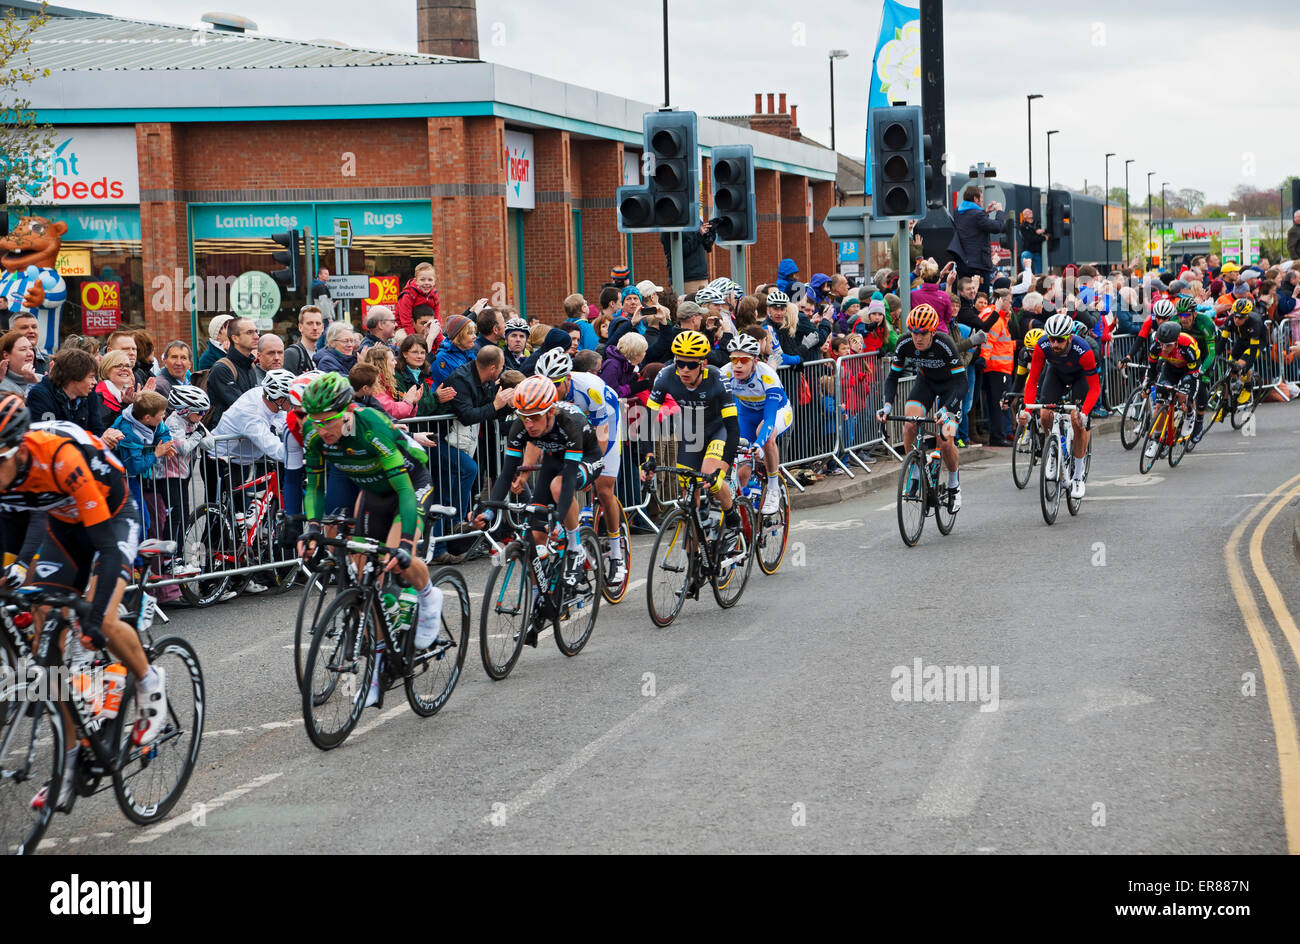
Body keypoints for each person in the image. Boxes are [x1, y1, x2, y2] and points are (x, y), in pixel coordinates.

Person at [0, 399, 167, 810]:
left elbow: (107, 550)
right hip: (62, 525)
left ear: (19, 450)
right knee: (48, 650)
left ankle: (150, 685)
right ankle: (69, 763)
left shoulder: (61, 457)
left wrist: (91, 617)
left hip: (111, 518)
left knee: (102, 618)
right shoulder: (11, 472)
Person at [297, 372, 447, 707]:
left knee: (397, 558)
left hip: (408, 485)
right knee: (365, 576)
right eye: (315, 422)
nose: (322, 430)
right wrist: (311, 528)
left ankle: (427, 596)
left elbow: (405, 490)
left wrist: (406, 543)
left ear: (346, 411)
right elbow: (313, 487)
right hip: (372, 492)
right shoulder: (315, 435)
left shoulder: (372, 427)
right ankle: (379, 666)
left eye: (329, 422)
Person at [471, 376, 603, 603]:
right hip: (553, 460)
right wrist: (490, 510)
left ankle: (574, 547)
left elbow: (569, 478)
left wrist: (559, 520)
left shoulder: (568, 423)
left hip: (585, 458)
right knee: (533, 537)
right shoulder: (521, 426)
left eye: (534, 417)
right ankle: (537, 602)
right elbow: (506, 473)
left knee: (559, 486)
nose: (528, 423)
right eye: (524, 417)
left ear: (550, 413)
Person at [534, 348, 627, 582]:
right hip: (574, 430)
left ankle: (617, 554)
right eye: (546, 384)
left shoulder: (590, 390)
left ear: (566, 379)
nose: (550, 391)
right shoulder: (543, 394)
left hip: (606, 424)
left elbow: (602, 435)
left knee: (604, 488)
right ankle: (572, 533)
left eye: (555, 384)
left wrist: (593, 470)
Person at [643, 330, 743, 545]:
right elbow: (647, 419)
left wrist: (723, 468)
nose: (684, 370)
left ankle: (733, 517)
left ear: (703, 363)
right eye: (680, 364)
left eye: (691, 365)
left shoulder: (718, 379)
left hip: (718, 430)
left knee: (710, 477)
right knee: (689, 497)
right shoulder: (665, 376)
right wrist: (648, 456)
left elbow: (733, 428)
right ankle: (694, 559)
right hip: (691, 434)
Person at [876, 304, 965, 510]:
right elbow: (893, 376)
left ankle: (954, 484)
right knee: (909, 425)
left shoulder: (945, 343)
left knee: (945, 441)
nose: (918, 337)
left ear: (933, 331)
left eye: (923, 333)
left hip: (950, 390)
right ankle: (915, 472)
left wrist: (946, 408)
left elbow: (962, 383)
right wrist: (887, 405)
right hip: (925, 384)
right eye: (914, 332)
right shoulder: (904, 342)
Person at [1021, 313, 1101, 497]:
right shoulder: (1043, 346)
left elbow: (1095, 388)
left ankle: (1078, 476)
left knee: (1077, 421)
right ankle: (1054, 451)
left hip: (1080, 378)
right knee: (1045, 414)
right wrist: (1026, 409)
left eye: (1059, 340)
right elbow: (1032, 380)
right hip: (1056, 374)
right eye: (1052, 340)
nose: (1055, 344)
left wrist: (1085, 412)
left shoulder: (1084, 350)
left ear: (1069, 338)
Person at [718, 333, 792, 514]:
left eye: (743, 360)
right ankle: (746, 518)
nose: (738, 365)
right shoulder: (725, 373)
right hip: (747, 414)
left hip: (777, 412)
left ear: (755, 362)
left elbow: (769, 419)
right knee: (743, 473)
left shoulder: (767, 375)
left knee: (765, 437)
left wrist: (759, 443)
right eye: (734, 359)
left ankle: (773, 487)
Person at [26, 347, 121, 445]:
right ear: (75, 376)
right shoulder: (41, 395)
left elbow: (96, 430)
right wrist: (95, 443)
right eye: (91, 377)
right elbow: (47, 439)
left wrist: (107, 439)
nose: (95, 382)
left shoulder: (89, 394)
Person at [205, 316, 259, 426]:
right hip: (224, 437)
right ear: (235, 338)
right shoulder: (222, 369)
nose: (256, 337)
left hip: (247, 434)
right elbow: (241, 408)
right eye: (249, 332)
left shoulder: (251, 366)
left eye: (256, 332)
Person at [947, 185, 1005, 282]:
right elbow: (997, 227)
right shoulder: (978, 215)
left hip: (963, 262)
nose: (982, 200)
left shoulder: (958, 212)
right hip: (979, 265)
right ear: (975, 198)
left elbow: (973, 223)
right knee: (981, 296)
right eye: (981, 197)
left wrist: (985, 212)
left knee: (966, 293)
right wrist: (999, 211)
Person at [363, 344, 422, 419]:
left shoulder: (385, 384)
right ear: (382, 364)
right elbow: (390, 410)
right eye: (392, 360)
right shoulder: (373, 386)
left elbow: (403, 415)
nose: (396, 362)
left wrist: (412, 403)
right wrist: (408, 401)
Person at [661, 221, 716, 294]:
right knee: (689, 305)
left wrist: (711, 233)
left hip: (702, 276)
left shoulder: (695, 219)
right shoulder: (670, 225)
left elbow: (707, 247)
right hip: (686, 279)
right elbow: (678, 251)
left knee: (704, 304)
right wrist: (699, 235)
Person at [427, 313, 477, 387]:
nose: (475, 336)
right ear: (458, 336)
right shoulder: (442, 358)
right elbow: (450, 388)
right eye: (470, 333)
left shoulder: (468, 353)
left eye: (474, 333)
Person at [395, 262, 441, 337]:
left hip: (425, 326)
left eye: (430, 280)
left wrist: (438, 336)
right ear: (416, 280)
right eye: (422, 280)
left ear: (434, 281)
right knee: (403, 338)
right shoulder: (408, 295)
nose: (426, 283)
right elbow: (406, 321)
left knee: (441, 340)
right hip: (404, 327)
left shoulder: (434, 295)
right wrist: (415, 340)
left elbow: (437, 317)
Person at [95, 349, 137, 421]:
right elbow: (109, 426)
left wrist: (143, 403)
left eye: (128, 366)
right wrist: (127, 405)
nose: (125, 369)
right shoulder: (98, 397)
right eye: (118, 366)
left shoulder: (130, 394)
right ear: (106, 370)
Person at [284, 306, 323, 374]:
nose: (315, 327)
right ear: (300, 327)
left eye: (318, 323)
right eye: (310, 323)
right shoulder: (292, 353)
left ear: (322, 328)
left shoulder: (321, 355)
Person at [0, 329, 37, 397]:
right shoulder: (2, 385)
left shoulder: (41, 378)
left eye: (31, 349)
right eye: (23, 349)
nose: (30, 354)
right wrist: (34, 386)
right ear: (6, 355)